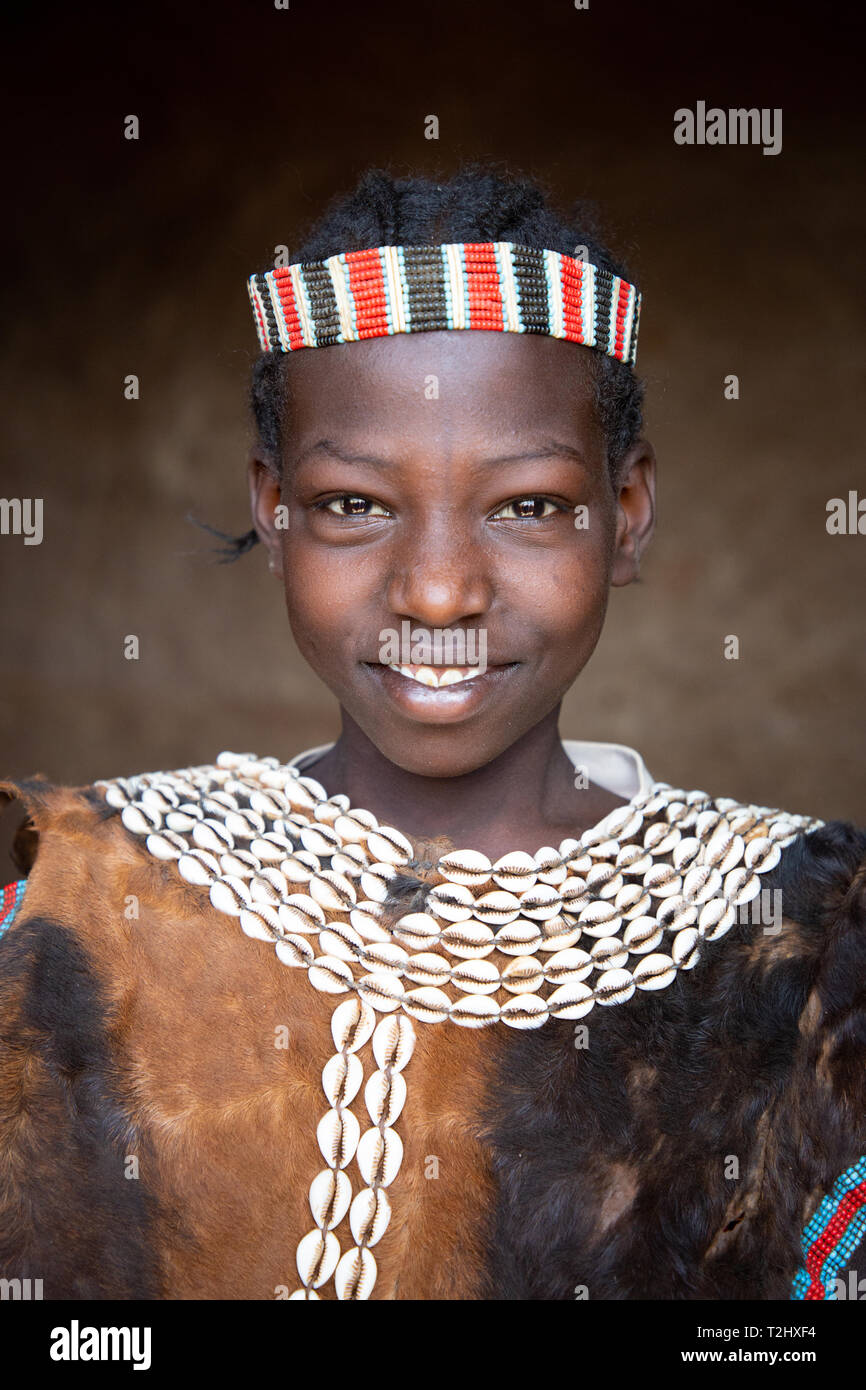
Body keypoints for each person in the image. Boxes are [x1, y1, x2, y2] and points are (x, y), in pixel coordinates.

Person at [1, 166, 864, 1302]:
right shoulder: (61, 892)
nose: (441, 591)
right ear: (273, 507)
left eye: (526, 505)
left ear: (627, 512)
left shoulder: (806, 942)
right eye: (353, 505)